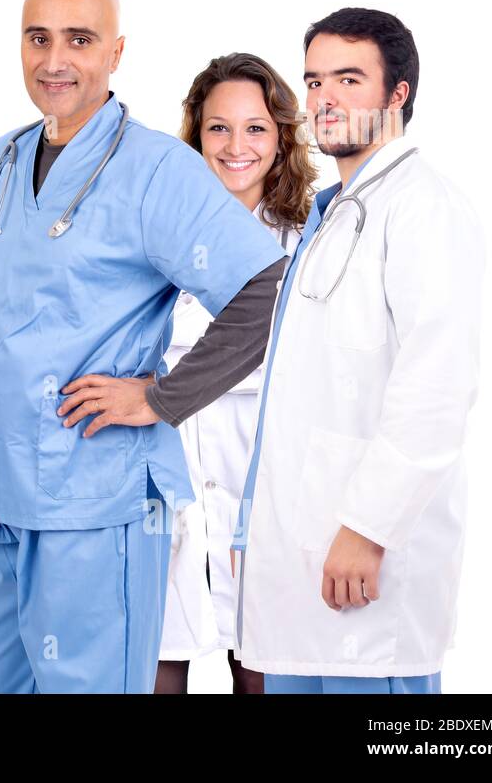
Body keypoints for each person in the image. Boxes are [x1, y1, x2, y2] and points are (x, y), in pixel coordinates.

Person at [0, 0, 287, 693]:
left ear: (117, 52)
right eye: (38, 39)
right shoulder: (7, 157)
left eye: (79, 39)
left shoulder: (156, 167)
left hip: (93, 499)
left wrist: (159, 397)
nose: (54, 60)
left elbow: (265, 290)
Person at [234, 9, 483, 694]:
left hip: (366, 572)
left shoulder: (423, 208)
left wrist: (369, 528)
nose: (325, 100)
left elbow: (435, 388)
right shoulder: (333, 210)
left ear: (399, 92)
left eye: (349, 78)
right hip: (301, 570)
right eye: (315, 81)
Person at [154, 53, 317, 694]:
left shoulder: (307, 243)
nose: (235, 146)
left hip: (270, 497)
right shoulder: (157, 241)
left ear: (280, 138)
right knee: (157, 667)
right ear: (196, 137)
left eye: (255, 128)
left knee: (262, 675)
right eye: (218, 128)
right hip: (169, 493)